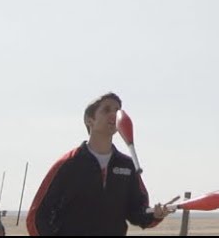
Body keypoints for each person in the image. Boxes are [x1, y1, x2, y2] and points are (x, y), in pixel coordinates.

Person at [27, 92, 171, 235]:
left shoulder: (127, 165)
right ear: (90, 120)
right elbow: (36, 217)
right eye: (107, 110)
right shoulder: (68, 164)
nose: (114, 115)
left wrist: (155, 214)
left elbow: (137, 211)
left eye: (117, 110)